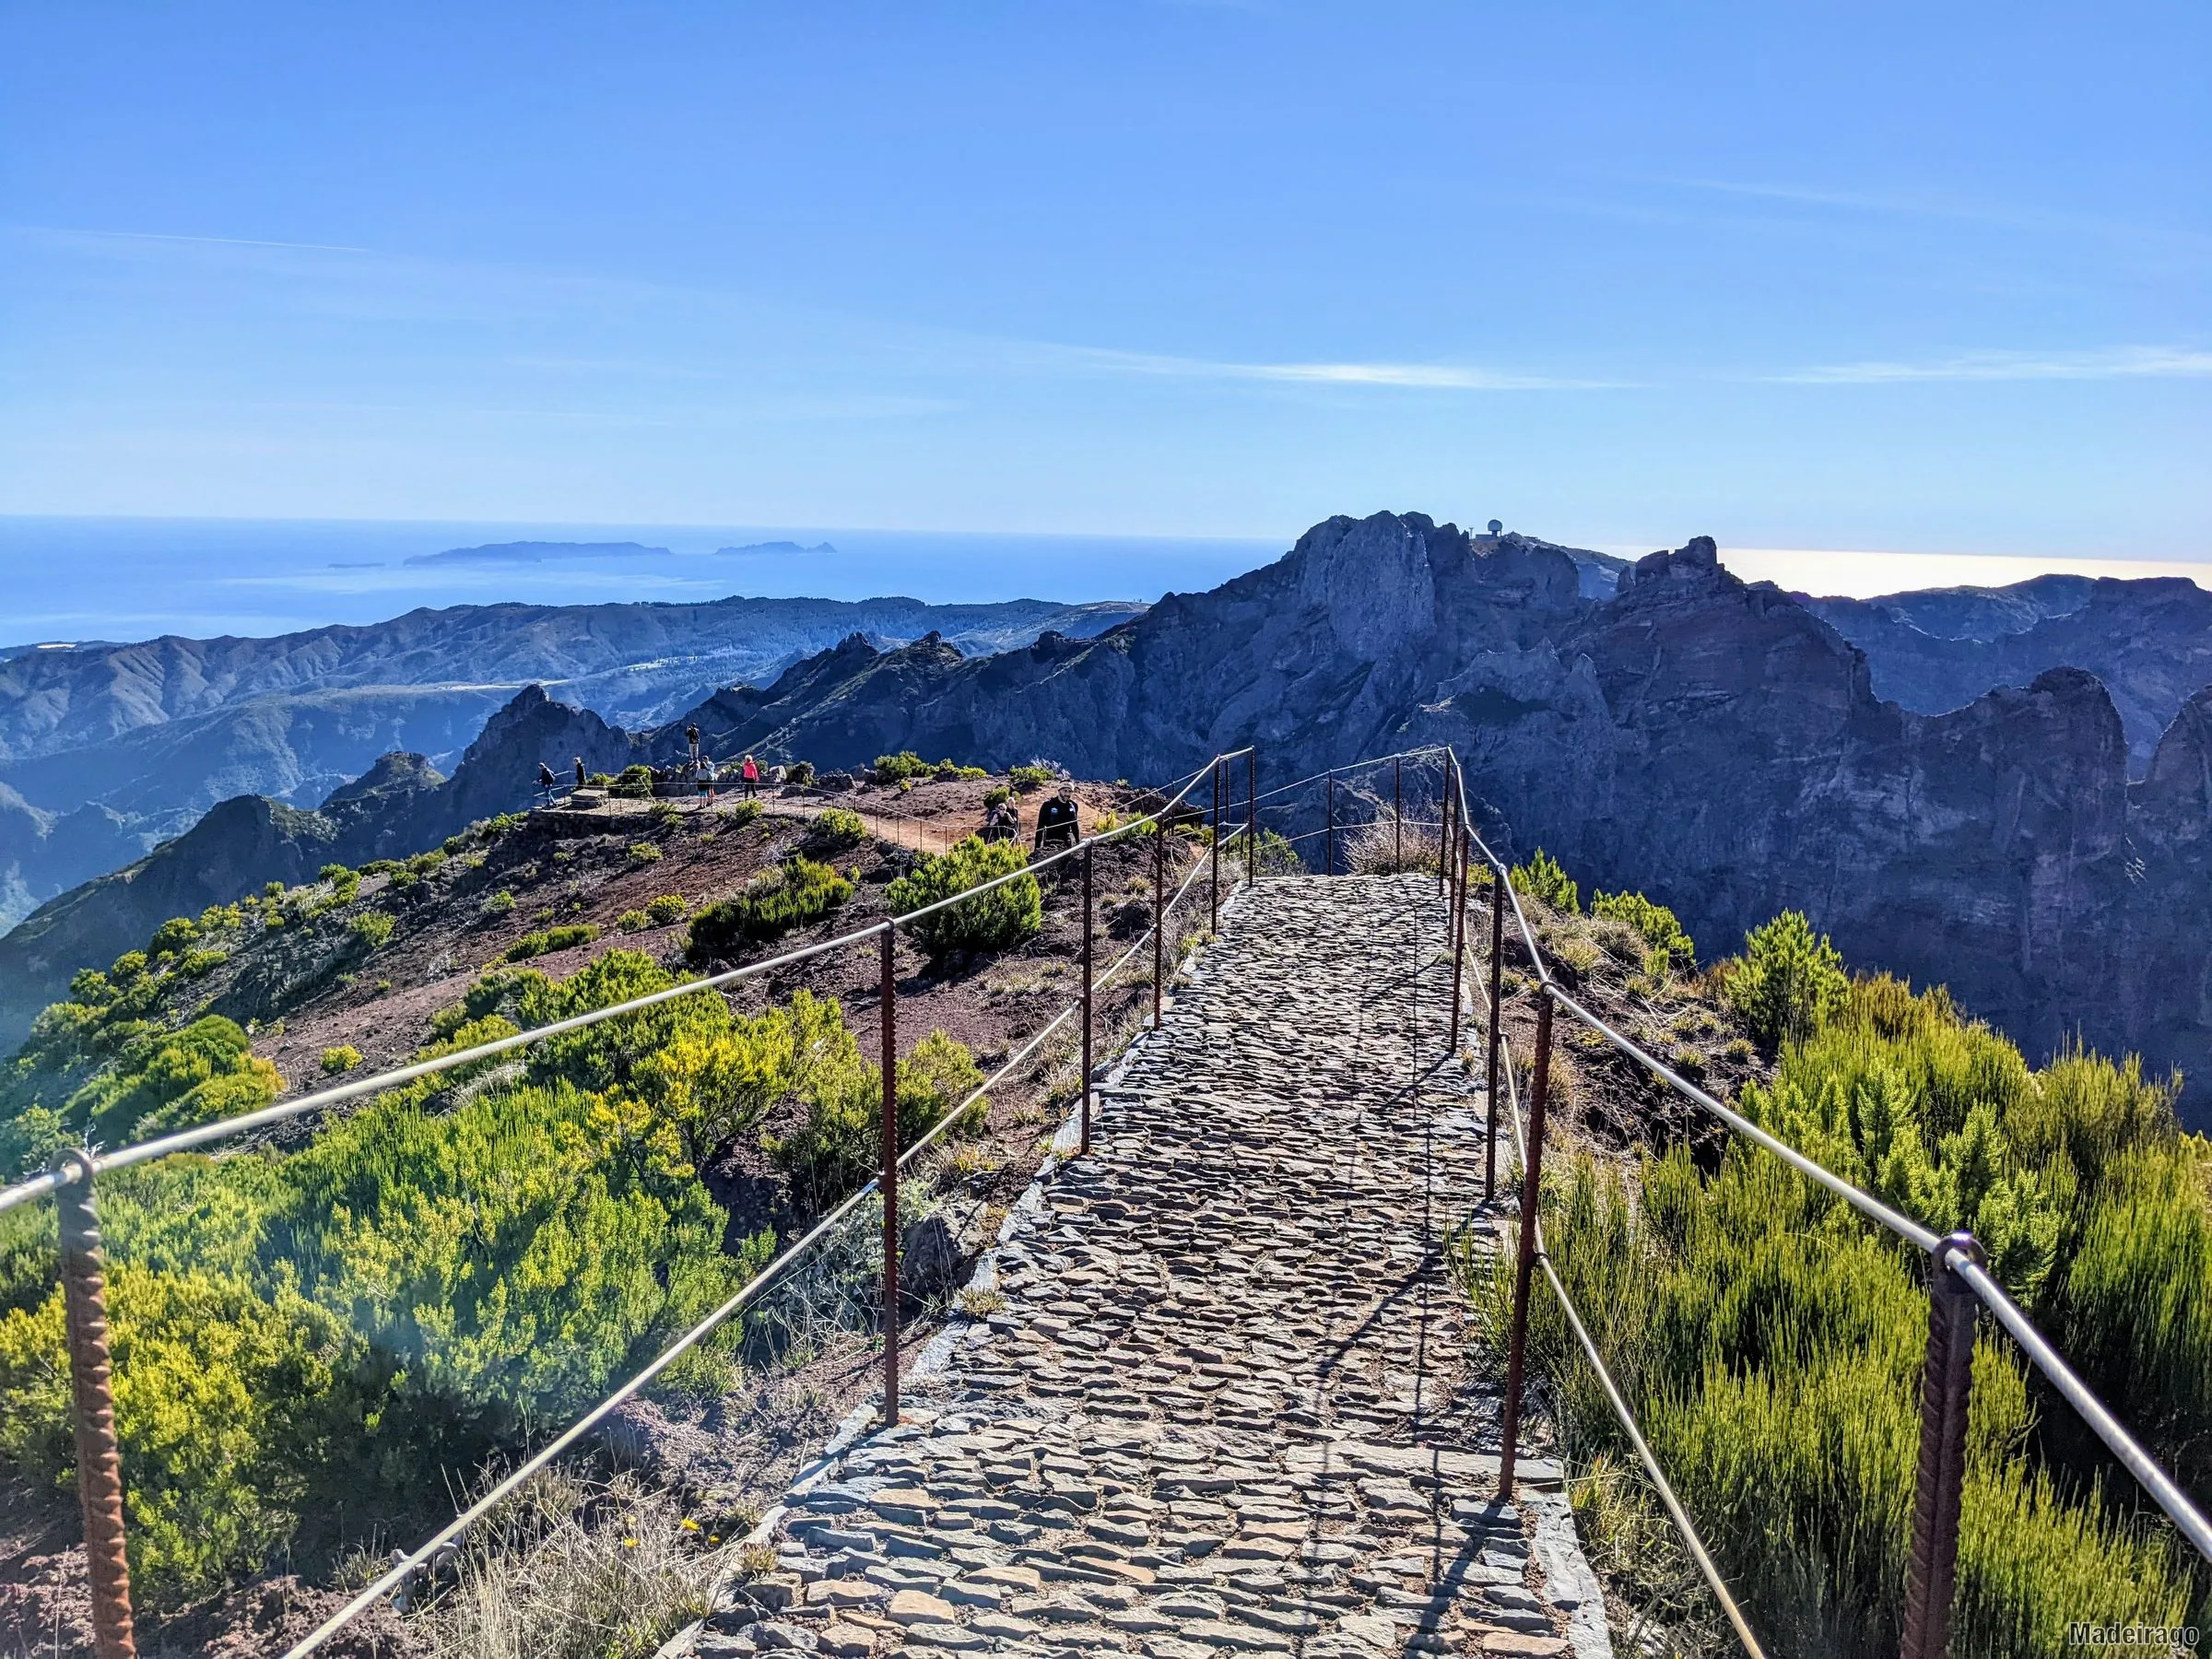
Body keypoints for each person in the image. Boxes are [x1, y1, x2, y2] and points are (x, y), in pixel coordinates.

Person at [1033, 788, 1079, 853]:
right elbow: (1040, 827)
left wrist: (1078, 842)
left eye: (1070, 791)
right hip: (1050, 843)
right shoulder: (1048, 805)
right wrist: (1037, 847)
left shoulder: (1073, 806)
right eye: (1065, 791)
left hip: (1066, 843)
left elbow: (1074, 826)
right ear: (1059, 790)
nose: (1067, 794)